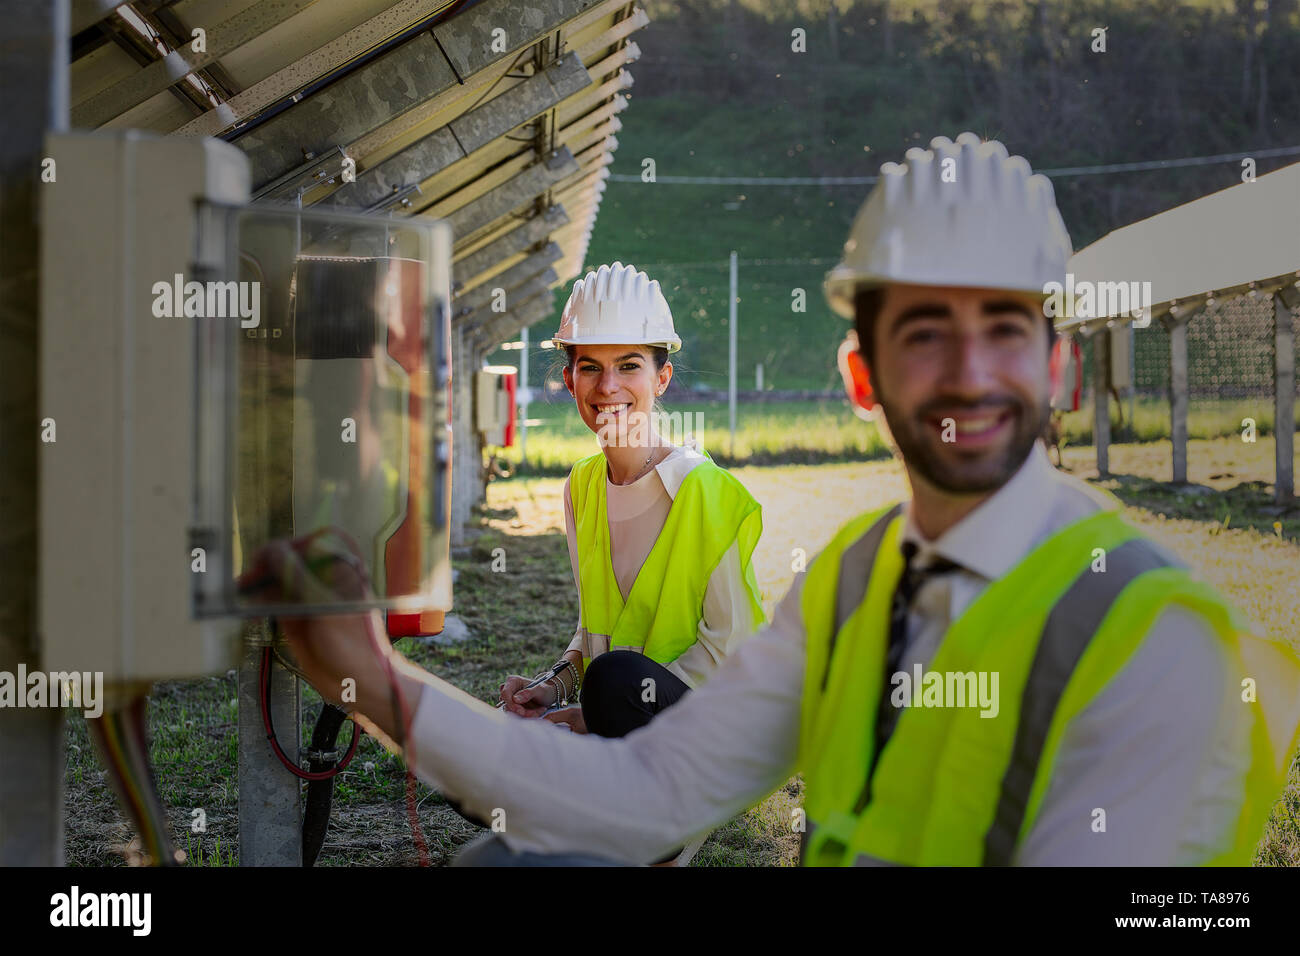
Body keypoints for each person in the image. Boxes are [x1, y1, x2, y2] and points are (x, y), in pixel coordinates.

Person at [257, 133, 1300, 866]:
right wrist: (368, 674)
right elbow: (647, 793)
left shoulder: (1159, 642)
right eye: (924, 332)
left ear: (1062, 372)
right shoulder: (853, 584)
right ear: (862, 377)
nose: (967, 373)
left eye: (1005, 330)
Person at [496, 261, 767, 741]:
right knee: (492, 751)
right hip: (619, 714)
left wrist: (597, 710)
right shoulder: (582, 486)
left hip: (706, 728)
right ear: (569, 378)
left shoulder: (705, 491)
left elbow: (735, 652)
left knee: (614, 680)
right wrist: (554, 688)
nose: (607, 388)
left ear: (661, 378)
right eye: (590, 368)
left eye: (628, 366)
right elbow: (595, 631)